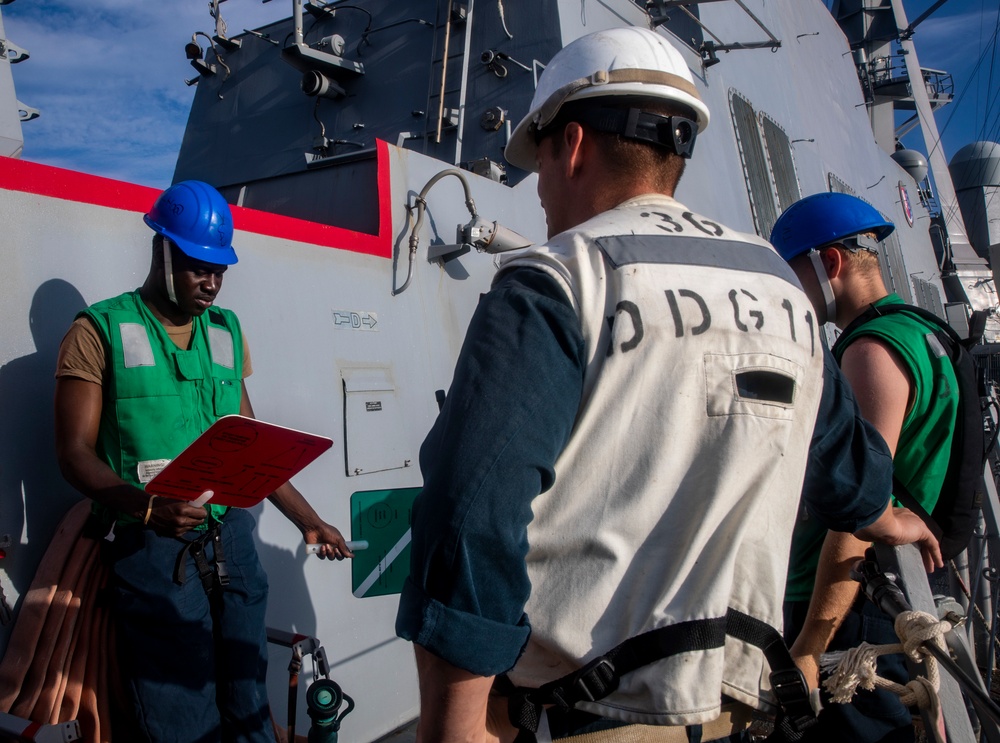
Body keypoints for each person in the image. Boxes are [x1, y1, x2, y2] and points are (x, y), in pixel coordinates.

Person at [395, 27, 829, 742]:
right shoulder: (779, 284)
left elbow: (469, 511)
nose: (536, 192)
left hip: (601, 715)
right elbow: (843, 452)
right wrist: (883, 509)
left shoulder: (558, 278)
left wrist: (455, 725)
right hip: (748, 711)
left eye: (535, 164)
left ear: (569, 146)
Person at [53, 180, 353, 742]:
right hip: (151, 549)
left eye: (219, 270)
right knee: (180, 716)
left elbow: (252, 445)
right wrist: (146, 510)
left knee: (247, 699)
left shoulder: (226, 332)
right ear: (160, 251)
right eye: (197, 267)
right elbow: (72, 455)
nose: (211, 283)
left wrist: (307, 520)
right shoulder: (97, 331)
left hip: (230, 540)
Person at [771, 191, 958, 742]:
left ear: (829, 264)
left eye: (792, 277)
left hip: (848, 607)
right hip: (893, 593)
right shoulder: (923, 335)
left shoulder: (871, 350)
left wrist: (808, 646)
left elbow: (859, 501)